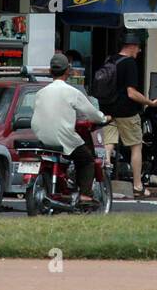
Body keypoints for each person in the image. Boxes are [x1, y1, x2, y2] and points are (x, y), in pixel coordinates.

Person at [31, 53, 107, 204]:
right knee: (87, 160)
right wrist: (104, 118)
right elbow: (91, 113)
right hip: (63, 138)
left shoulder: (40, 93)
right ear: (68, 71)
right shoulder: (72, 92)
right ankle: (85, 195)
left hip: (42, 138)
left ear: (50, 72)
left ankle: (64, 187)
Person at [97, 31, 157, 198]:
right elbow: (131, 93)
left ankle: (103, 181)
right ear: (132, 46)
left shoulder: (110, 60)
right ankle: (137, 185)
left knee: (108, 144)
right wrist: (150, 102)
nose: (139, 51)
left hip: (107, 111)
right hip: (126, 112)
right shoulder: (130, 64)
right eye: (138, 48)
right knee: (136, 147)